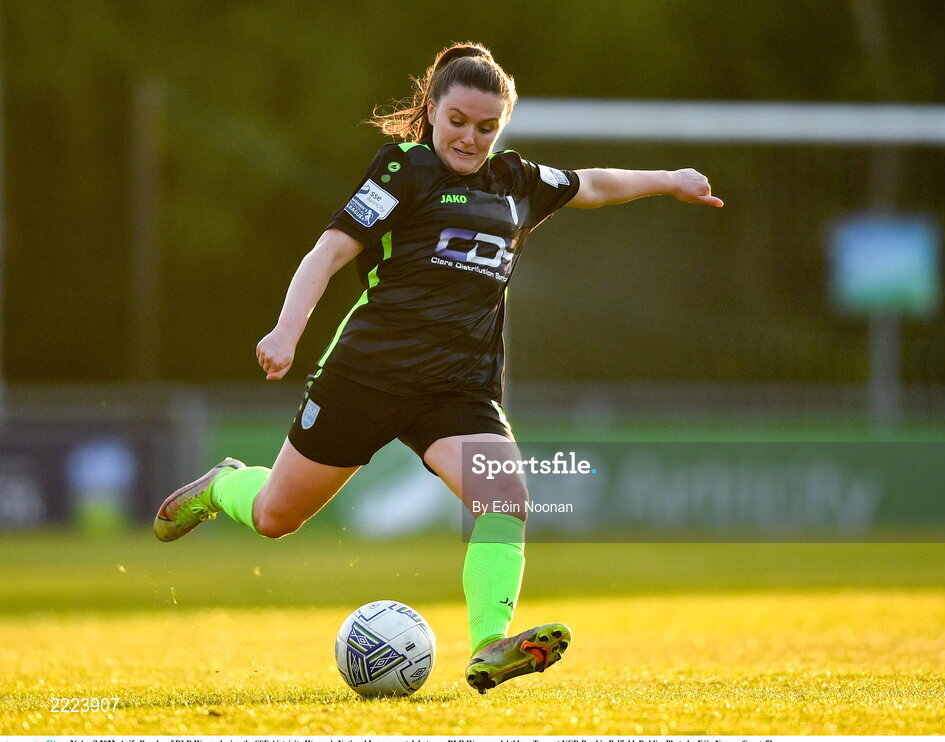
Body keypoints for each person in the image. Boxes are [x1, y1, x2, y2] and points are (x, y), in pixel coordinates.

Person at [153, 41, 723, 694]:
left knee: (505, 499)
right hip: (367, 374)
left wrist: (669, 181)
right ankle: (224, 484)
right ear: (432, 110)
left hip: (459, 388)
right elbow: (331, 248)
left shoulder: (516, 182)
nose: (470, 137)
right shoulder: (406, 169)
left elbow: (591, 184)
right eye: (458, 121)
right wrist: (287, 331)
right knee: (276, 517)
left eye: (487, 127)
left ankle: (489, 646)